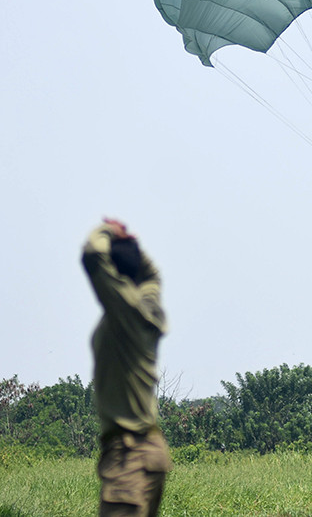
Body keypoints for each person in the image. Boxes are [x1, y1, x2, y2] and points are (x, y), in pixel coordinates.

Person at [81, 218, 172, 517]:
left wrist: (107, 230)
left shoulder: (125, 314)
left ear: (115, 274)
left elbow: (92, 255)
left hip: (129, 455)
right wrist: (132, 244)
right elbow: (152, 274)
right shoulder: (149, 307)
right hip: (152, 451)